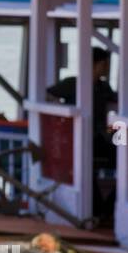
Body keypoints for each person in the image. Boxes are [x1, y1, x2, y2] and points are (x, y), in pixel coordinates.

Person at [45, 46, 118, 226]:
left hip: (99, 139)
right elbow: (47, 95)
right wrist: (61, 114)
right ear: (99, 64)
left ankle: (108, 210)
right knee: (85, 170)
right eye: (106, 64)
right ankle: (99, 210)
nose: (107, 68)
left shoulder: (102, 87)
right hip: (75, 141)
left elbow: (116, 98)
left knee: (126, 165)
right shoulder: (72, 84)